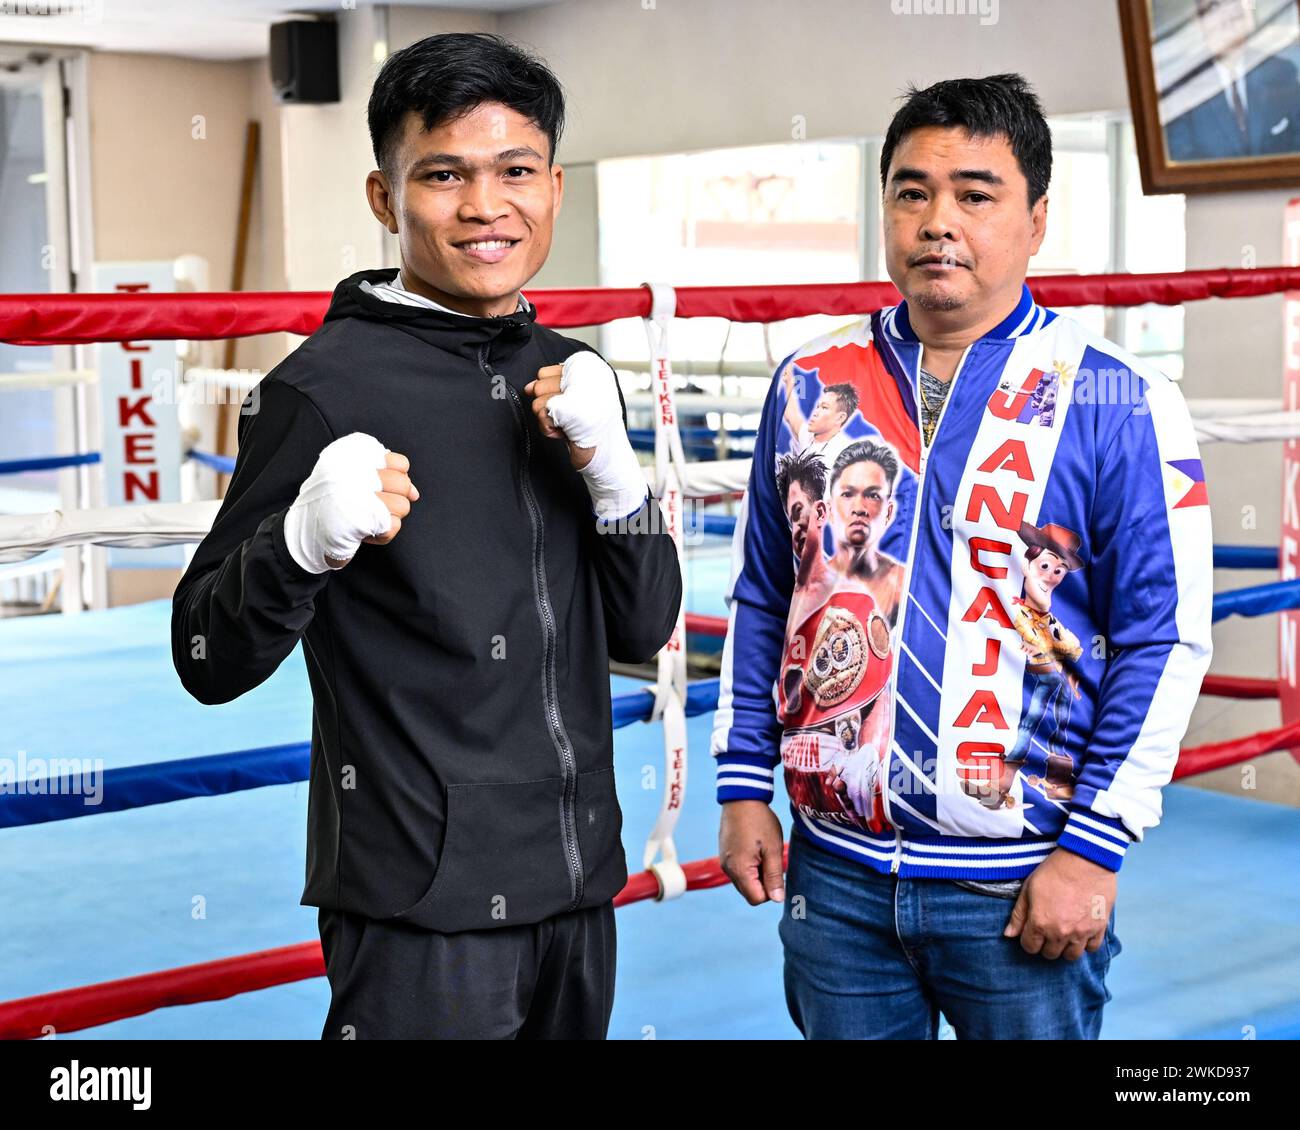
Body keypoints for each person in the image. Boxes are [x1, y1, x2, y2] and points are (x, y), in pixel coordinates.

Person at [171, 32, 682, 1040]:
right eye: (444, 174)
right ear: (383, 196)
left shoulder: (572, 374)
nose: (486, 206)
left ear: (555, 188)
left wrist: (620, 484)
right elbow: (204, 656)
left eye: (515, 172)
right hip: (420, 902)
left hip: (578, 881)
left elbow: (645, 623)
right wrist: (299, 543)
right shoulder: (321, 391)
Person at [713, 73, 1213, 1039]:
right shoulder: (809, 382)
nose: (938, 220)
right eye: (912, 192)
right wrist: (743, 789)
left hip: (1023, 879)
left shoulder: (1120, 400)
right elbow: (764, 597)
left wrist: (1094, 852)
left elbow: (1164, 638)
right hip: (837, 875)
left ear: (1036, 221)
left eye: (976, 194)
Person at [1163, 0, 1300, 162]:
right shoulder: (1179, 86)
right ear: (1198, 21)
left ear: (1250, 13)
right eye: (1214, 6)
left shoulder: (1281, 72)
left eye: (1235, 2)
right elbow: (1181, 162)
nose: (1228, 14)